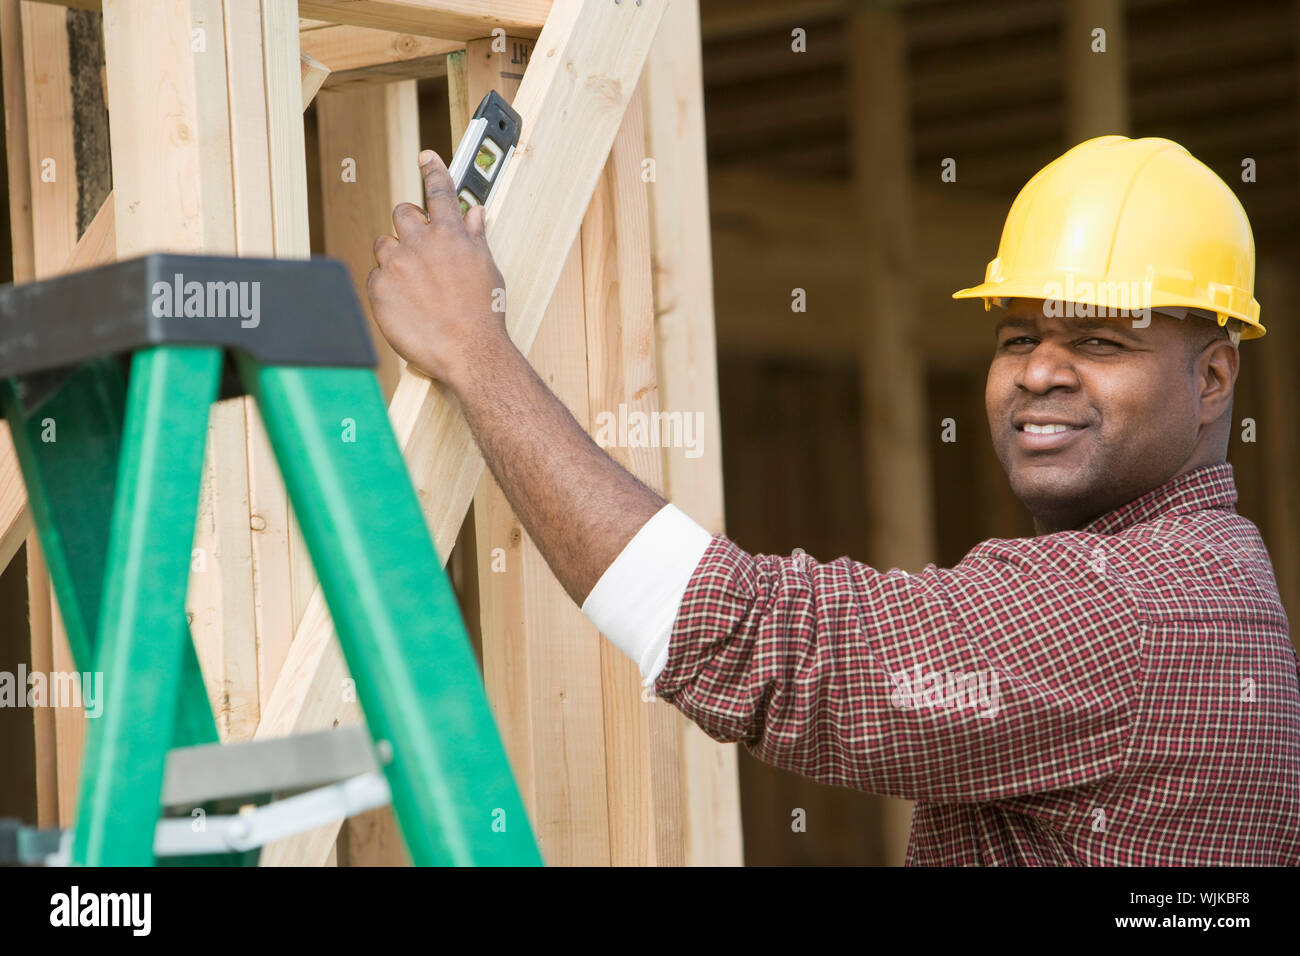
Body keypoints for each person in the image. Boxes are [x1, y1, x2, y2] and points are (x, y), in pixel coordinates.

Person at [366, 135, 1300, 865]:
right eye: (1017, 338)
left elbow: (755, 638)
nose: (1039, 372)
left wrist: (472, 350)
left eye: (1099, 343)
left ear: (1213, 377)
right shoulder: (1215, 581)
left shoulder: (1126, 605)